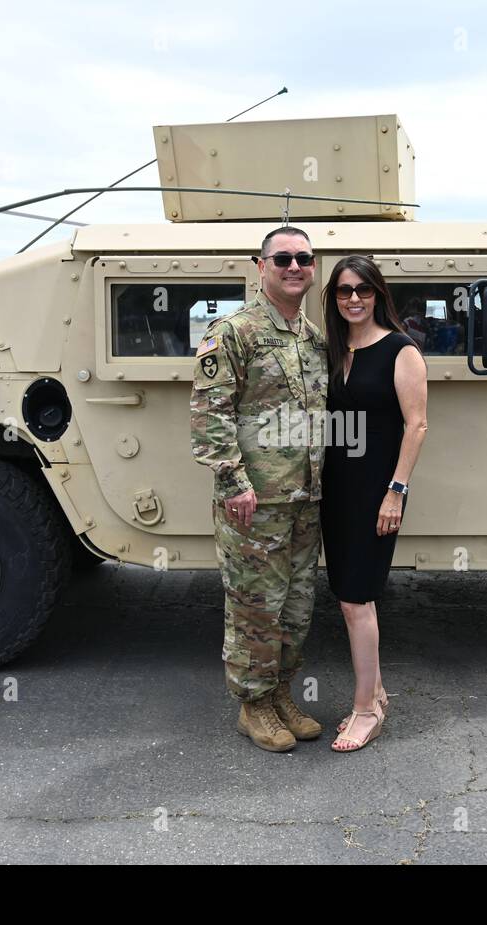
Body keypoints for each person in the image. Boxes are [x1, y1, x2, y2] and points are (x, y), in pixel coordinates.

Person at [189, 226, 329, 753]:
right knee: (255, 606)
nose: (295, 266)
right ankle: (253, 705)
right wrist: (232, 482)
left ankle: (281, 696)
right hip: (255, 499)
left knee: (296, 605)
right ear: (260, 265)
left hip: (305, 499)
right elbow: (211, 413)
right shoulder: (232, 332)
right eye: (284, 258)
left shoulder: (312, 338)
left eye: (304, 258)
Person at [319, 255, 428, 752]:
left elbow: (417, 425)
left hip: (375, 493)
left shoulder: (400, 350)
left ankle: (366, 711)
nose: (354, 299)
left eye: (363, 290)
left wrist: (396, 490)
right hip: (338, 488)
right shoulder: (339, 350)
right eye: (344, 291)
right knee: (347, 596)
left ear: (378, 294)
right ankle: (376, 692)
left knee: (356, 599)